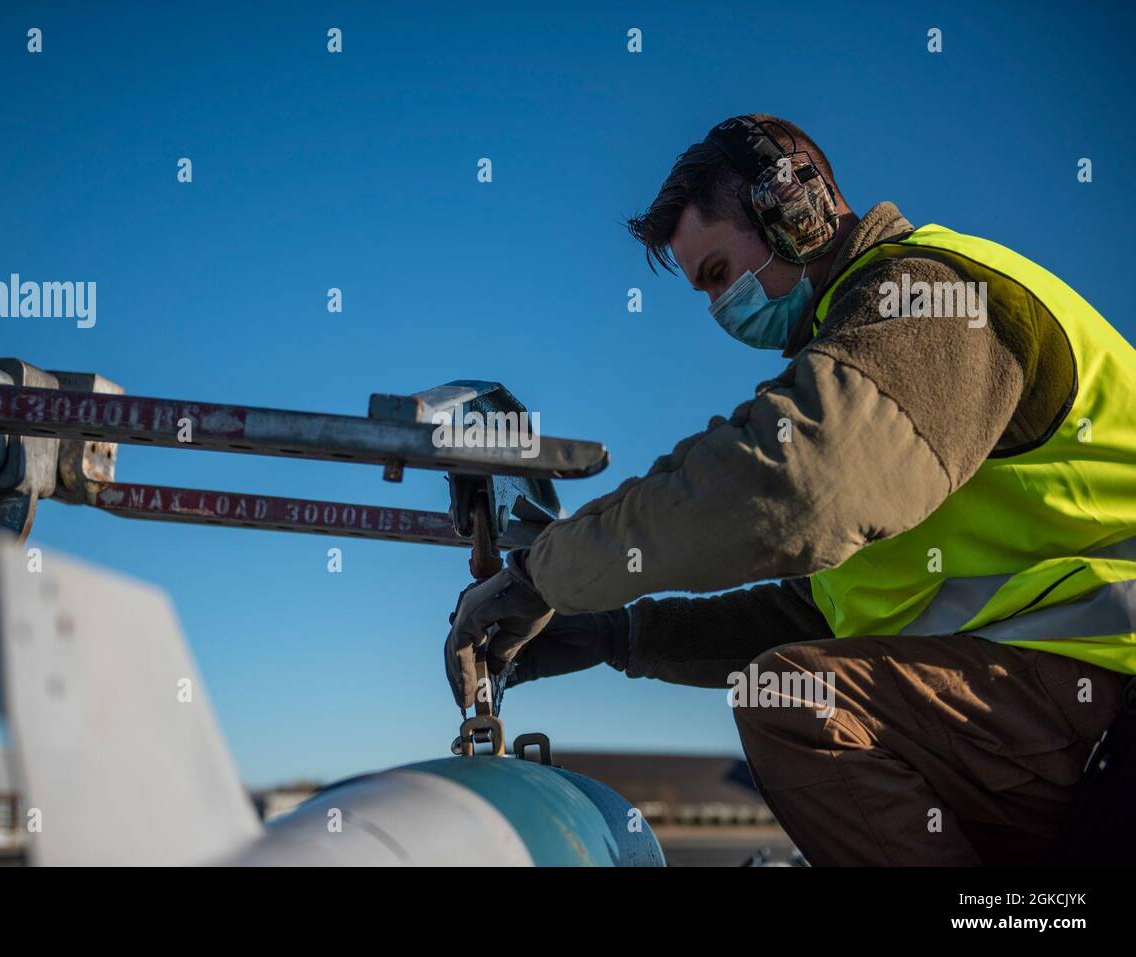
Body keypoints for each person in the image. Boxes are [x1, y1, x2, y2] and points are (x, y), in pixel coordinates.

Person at [443, 114, 1136, 865]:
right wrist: (618, 632)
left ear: (794, 211)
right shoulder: (871, 357)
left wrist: (546, 571)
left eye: (717, 274)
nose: (719, 310)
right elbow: (814, 610)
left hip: (1111, 701)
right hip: (1053, 709)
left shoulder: (931, 297)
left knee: (794, 702)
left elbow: (800, 486)